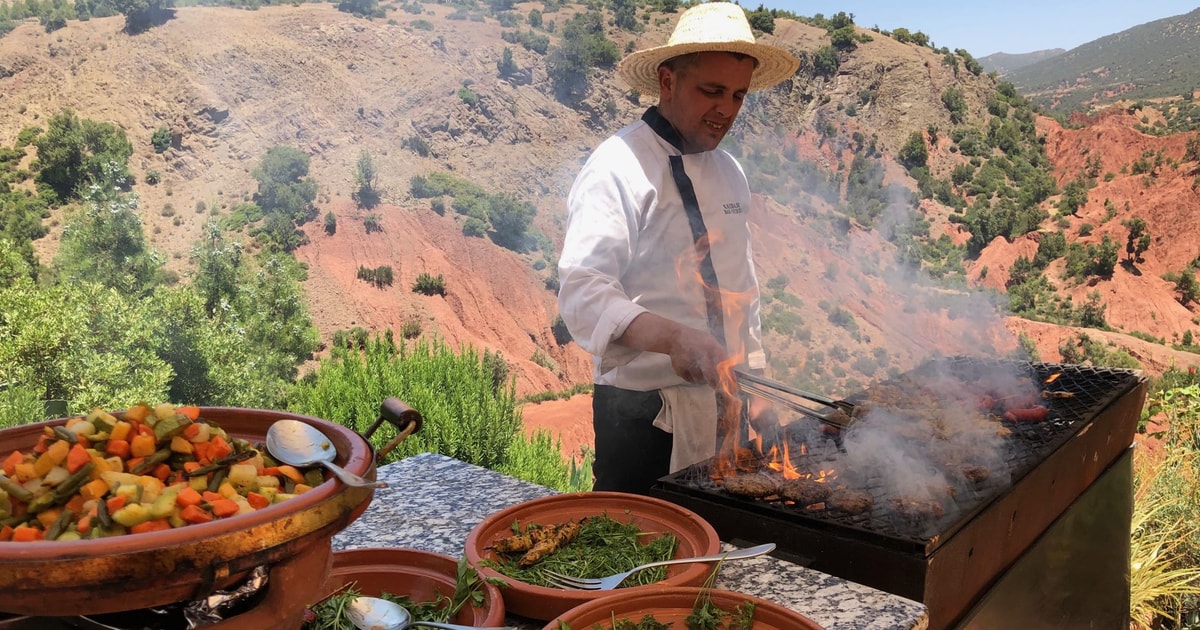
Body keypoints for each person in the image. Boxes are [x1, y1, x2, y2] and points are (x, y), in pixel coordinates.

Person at [557, 2, 799, 494]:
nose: (727, 109)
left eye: (738, 94)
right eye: (711, 91)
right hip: (645, 417)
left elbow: (740, 289)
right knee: (639, 560)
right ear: (667, 81)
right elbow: (583, 292)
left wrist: (760, 386)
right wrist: (673, 338)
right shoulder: (618, 167)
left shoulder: (729, 172)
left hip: (724, 410)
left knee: (716, 556)